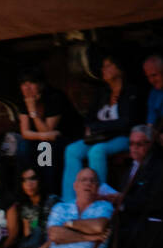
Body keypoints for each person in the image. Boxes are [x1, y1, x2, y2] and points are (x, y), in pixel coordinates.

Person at [61, 51, 143, 201]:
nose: (103, 70)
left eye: (108, 66)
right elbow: (89, 119)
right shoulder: (103, 92)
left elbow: (126, 122)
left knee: (96, 151)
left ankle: (96, 199)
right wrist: (98, 127)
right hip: (99, 137)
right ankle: (69, 202)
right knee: (71, 150)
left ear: (119, 69)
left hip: (121, 137)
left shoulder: (130, 91)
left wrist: (100, 127)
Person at [13, 166, 57, 248]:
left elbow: (58, 234)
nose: (28, 184)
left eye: (33, 179)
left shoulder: (53, 202)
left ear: (40, 181)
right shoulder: (25, 206)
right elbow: (28, 235)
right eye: (24, 180)